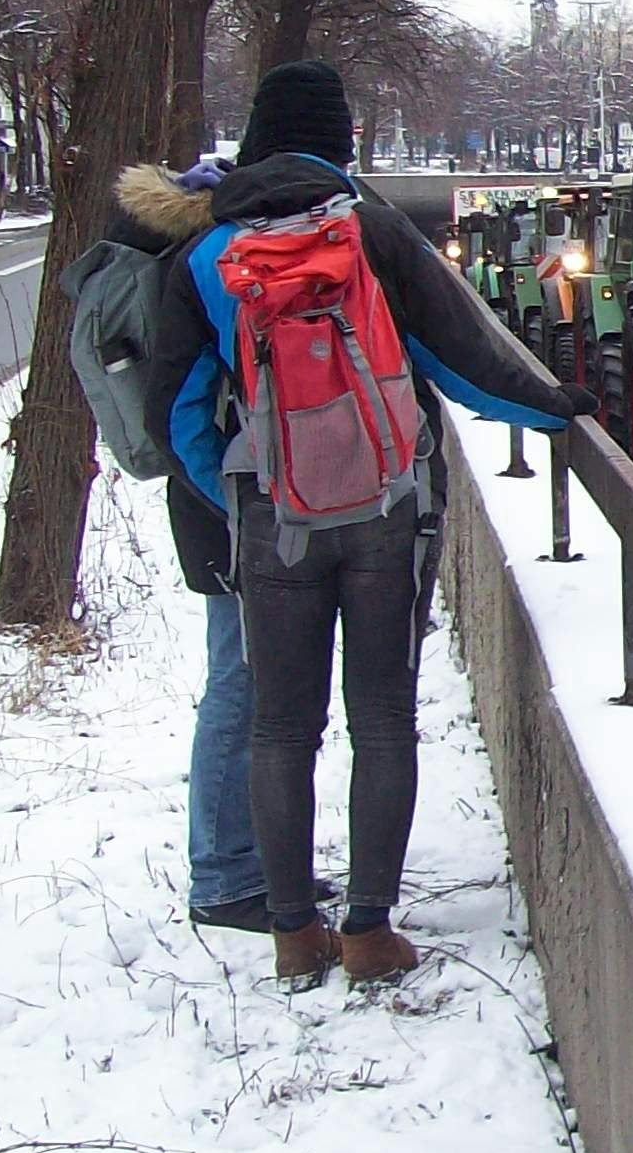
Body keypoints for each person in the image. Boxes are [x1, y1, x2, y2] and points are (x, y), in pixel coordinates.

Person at [140, 61, 592, 991]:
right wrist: (554, 411)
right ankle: (371, 931)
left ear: (259, 140)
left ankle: (293, 932)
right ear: (344, 142)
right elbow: (462, 358)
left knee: (280, 726)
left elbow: (174, 412)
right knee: (381, 719)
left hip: (274, 516)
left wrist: (238, 496)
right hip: (388, 508)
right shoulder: (374, 231)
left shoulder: (205, 252)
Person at [108, 154, 272, 933]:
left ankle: (241, 864)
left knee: (245, 683)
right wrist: (242, 509)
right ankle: (223, 877)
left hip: (212, 500)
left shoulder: (178, 251)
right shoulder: (202, 264)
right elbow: (180, 412)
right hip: (222, 504)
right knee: (238, 687)